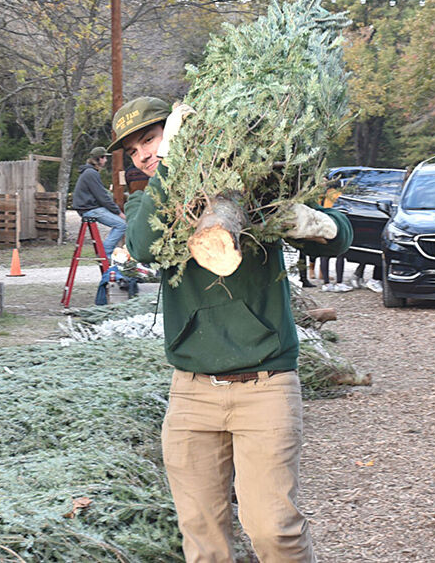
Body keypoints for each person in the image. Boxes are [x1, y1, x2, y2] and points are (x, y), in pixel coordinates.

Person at [111, 96, 353, 562]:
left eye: (150, 138)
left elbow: (339, 237)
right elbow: (141, 246)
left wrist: (315, 222)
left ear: (180, 128)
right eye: (132, 149)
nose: (142, 154)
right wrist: (171, 161)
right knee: (203, 537)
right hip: (191, 393)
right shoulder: (150, 201)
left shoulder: (249, 186)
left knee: (272, 530)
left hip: (265, 387)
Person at [72, 146, 126, 261]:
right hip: (89, 209)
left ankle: (108, 253)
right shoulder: (91, 173)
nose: (106, 161)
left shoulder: (88, 172)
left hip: (87, 208)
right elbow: (103, 197)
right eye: (105, 158)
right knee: (122, 225)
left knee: (120, 224)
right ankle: (105, 253)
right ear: (100, 158)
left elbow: (102, 194)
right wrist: (118, 212)